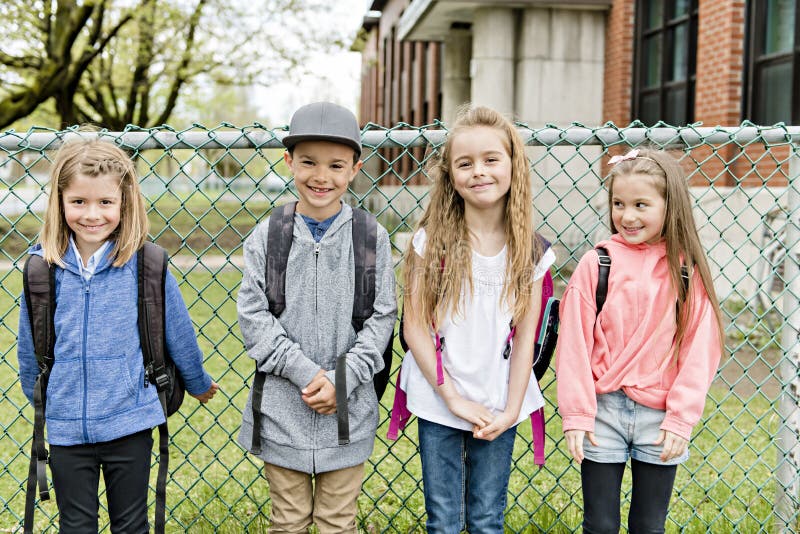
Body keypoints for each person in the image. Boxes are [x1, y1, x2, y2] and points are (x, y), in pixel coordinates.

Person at [16, 138, 219, 532]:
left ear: (124, 203)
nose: (92, 214)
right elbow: (30, 348)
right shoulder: (42, 269)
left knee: (130, 524)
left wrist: (196, 383)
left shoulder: (147, 264)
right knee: (76, 525)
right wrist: (47, 399)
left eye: (105, 203)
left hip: (130, 421)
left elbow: (178, 332)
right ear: (60, 202)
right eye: (78, 202)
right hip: (66, 428)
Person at [237, 101, 397, 533]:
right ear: (288, 161)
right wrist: (308, 374)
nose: (321, 177)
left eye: (335, 165)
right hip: (282, 414)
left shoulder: (370, 236)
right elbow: (253, 316)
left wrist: (341, 380)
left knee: (337, 523)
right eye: (308, 162)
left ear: (355, 169)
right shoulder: (268, 235)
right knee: (287, 521)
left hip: (348, 413)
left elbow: (383, 319)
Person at [397, 104, 555, 533]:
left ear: (512, 165)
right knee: (443, 520)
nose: (479, 171)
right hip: (440, 398)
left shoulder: (532, 251)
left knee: (487, 519)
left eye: (491, 159)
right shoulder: (430, 243)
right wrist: (452, 398)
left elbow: (526, 340)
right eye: (464, 163)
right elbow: (414, 328)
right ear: (449, 175)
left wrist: (509, 408)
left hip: (497, 404)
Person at [556, 148, 724, 534]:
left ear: (670, 206)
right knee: (599, 524)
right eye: (618, 203)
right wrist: (578, 413)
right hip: (604, 413)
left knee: (649, 525)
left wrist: (681, 417)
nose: (627, 216)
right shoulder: (597, 263)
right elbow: (574, 345)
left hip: (660, 415)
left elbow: (701, 348)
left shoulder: (685, 268)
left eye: (641, 204)